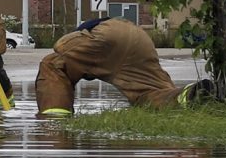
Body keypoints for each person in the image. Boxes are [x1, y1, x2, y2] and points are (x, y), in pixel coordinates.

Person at [35, 15, 181, 114]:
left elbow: (61, 47)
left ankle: (54, 120)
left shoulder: (87, 35)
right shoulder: (105, 57)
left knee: (53, 64)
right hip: (141, 38)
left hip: (110, 31)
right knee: (149, 93)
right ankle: (191, 96)